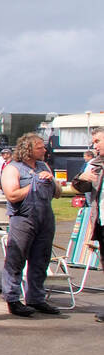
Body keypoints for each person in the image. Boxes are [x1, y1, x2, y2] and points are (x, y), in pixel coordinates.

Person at [0, 131, 61, 317]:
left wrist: (52, 181)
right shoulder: (13, 168)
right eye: (40, 146)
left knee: (41, 259)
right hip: (23, 218)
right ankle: (12, 299)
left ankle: (36, 298)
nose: (44, 149)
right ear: (28, 149)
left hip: (45, 218)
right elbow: (12, 195)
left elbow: (57, 193)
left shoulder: (43, 165)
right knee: (16, 259)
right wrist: (34, 183)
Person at [69, 127, 104, 322]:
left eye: (98, 141)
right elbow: (80, 187)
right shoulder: (95, 164)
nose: (94, 146)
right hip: (101, 222)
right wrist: (80, 178)